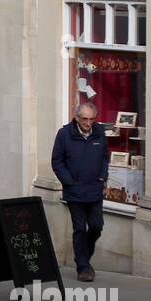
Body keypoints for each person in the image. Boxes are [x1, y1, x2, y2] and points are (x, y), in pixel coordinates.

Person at [51, 102, 109, 283]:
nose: (88, 123)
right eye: (85, 119)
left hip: (94, 189)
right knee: (79, 228)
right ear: (76, 117)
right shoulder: (64, 134)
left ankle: (83, 255)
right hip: (75, 191)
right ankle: (83, 267)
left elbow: (105, 158)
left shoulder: (99, 132)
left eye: (92, 119)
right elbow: (57, 162)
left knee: (96, 226)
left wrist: (103, 177)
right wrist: (69, 182)